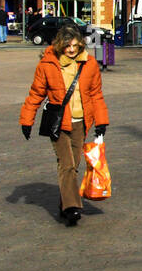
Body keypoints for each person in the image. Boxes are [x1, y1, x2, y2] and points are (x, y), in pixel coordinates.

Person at [19, 24, 109, 227]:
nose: (71, 49)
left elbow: (96, 95)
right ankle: (72, 208)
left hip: (81, 122)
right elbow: (36, 94)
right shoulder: (48, 64)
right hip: (58, 123)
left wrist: (101, 122)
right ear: (60, 44)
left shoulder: (90, 64)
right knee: (67, 164)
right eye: (68, 45)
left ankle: (65, 202)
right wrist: (27, 121)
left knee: (73, 165)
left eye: (75, 45)